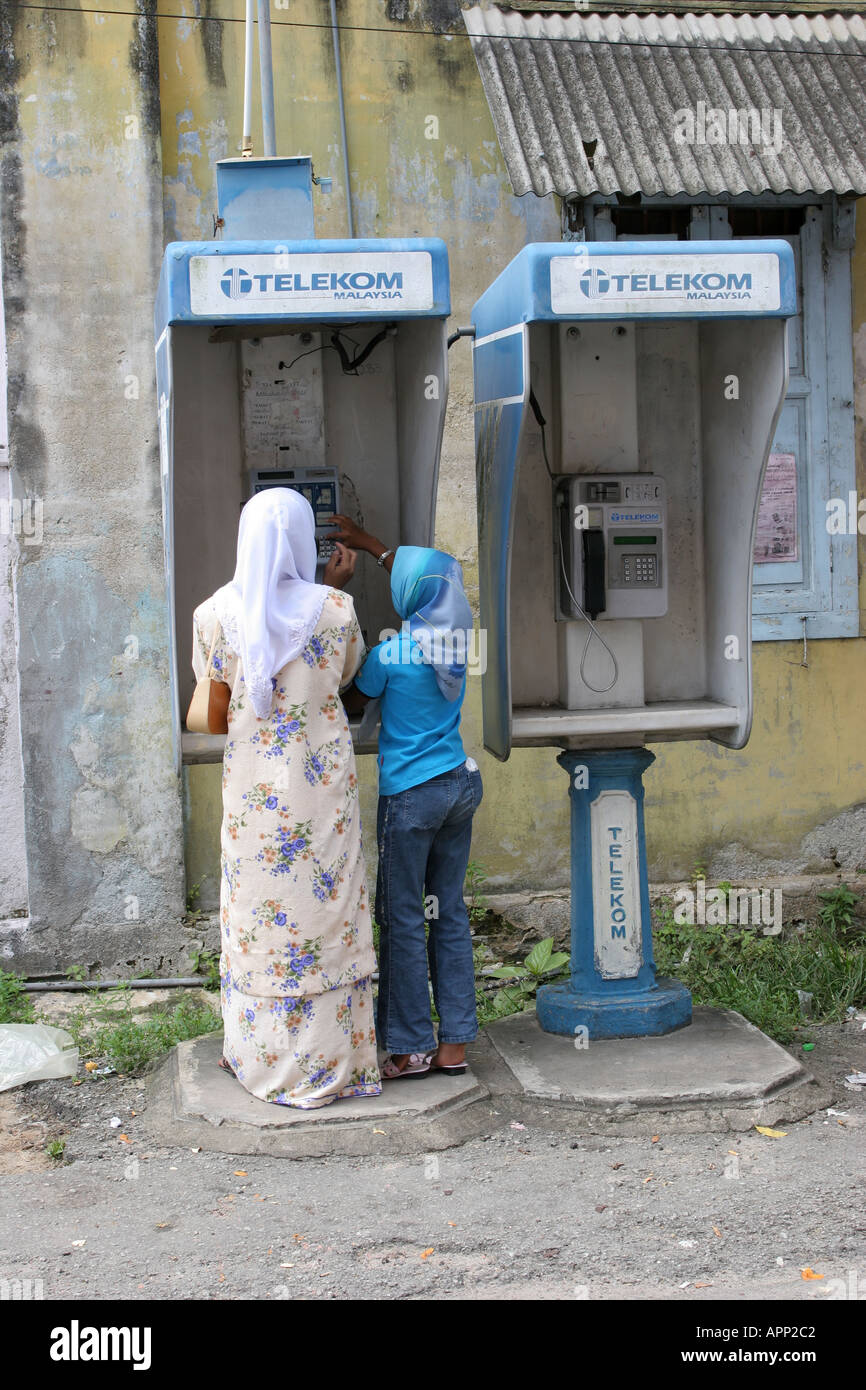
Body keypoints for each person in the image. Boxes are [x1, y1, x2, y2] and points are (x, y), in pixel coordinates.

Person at [191, 489, 381, 1109]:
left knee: (258, 917)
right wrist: (329, 585)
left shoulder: (214, 614)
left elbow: (212, 707)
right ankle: (333, 1064)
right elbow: (348, 675)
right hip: (319, 794)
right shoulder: (335, 609)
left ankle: (258, 1059)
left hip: (252, 801)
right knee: (325, 913)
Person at [329, 514, 483, 1080]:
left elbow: (347, 700)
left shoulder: (391, 656)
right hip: (460, 786)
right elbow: (425, 575)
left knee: (401, 918)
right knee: (448, 915)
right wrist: (371, 544)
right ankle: (454, 1047)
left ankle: (410, 1047)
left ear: (406, 597)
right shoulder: (455, 640)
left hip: (412, 797)